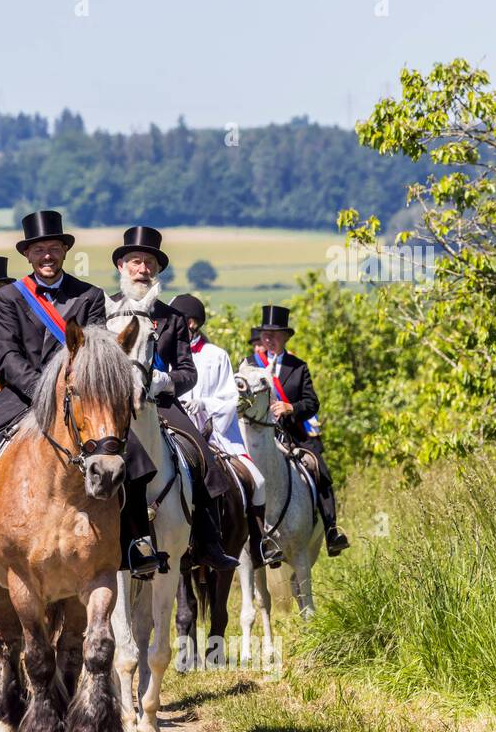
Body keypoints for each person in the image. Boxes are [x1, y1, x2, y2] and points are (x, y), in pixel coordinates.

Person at [0, 210, 161, 576]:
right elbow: (6, 354)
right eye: (40, 249)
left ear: (64, 251)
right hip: (23, 392)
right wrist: (40, 390)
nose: (47, 256)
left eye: (54, 248)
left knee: (133, 456)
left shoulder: (89, 296)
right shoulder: (8, 298)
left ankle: (138, 540)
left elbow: (99, 348)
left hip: (81, 392)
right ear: (28, 255)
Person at [103, 227, 240, 572]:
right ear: (122, 266)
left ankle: (208, 541)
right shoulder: (104, 312)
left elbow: (187, 372)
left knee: (201, 453)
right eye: (135, 261)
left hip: (160, 403)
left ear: (157, 271)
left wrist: (165, 381)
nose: (142, 269)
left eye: (149, 263)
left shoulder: (173, 319)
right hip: (113, 405)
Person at [170, 294, 282, 566]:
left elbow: (229, 398)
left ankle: (260, 545)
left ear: (193, 323)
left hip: (216, 434)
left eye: (180, 321)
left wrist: (203, 404)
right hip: (175, 431)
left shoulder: (216, 355)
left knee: (259, 480)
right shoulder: (166, 354)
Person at [252, 305, 350, 556]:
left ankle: (331, 530)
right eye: (265, 334)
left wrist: (290, 407)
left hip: (293, 436)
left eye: (275, 334)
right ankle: (251, 538)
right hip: (258, 437)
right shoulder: (249, 365)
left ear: (285, 337)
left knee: (320, 469)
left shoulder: (298, 367)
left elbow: (312, 403)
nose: (269, 339)